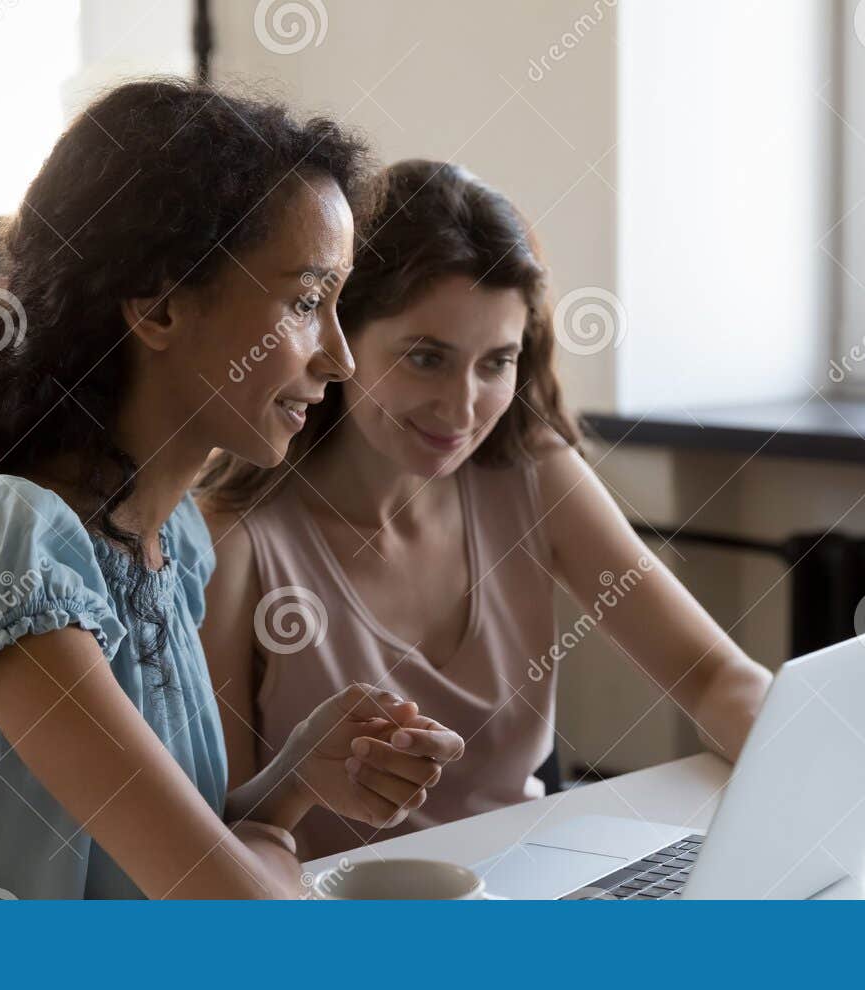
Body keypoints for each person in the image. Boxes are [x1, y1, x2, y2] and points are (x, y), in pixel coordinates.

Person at [0, 81, 463, 899]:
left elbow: (137, 868)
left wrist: (292, 781)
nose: (340, 359)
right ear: (158, 307)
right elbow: (229, 920)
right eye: (305, 301)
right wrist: (266, 856)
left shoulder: (172, 540)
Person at [198, 160, 772, 859]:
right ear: (340, 340)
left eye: (496, 362)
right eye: (426, 358)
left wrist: (807, 776)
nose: (463, 410)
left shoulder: (531, 475)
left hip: (534, 894)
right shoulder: (237, 540)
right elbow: (215, 831)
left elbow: (714, 675)